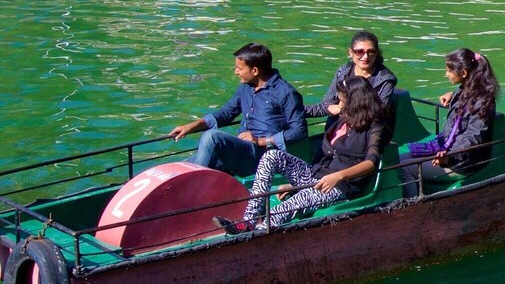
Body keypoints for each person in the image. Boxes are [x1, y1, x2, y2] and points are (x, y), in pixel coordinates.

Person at [215, 75, 388, 233]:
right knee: (272, 156)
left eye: (343, 101)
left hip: (339, 186)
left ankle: (259, 232)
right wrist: (295, 186)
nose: (339, 105)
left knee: (285, 207)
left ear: (356, 102)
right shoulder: (342, 119)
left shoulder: (375, 127)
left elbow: (371, 163)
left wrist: (338, 176)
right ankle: (250, 220)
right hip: (316, 175)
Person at [168, 43, 307, 177]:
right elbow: (226, 113)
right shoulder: (246, 87)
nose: (236, 72)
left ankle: (196, 187)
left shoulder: (286, 93)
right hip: (242, 151)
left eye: (239, 68)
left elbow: (299, 131)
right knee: (180, 168)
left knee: (212, 137)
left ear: (255, 71)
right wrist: (192, 126)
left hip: (264, 157)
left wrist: (261, 141)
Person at [404, 48, 500, 191]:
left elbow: (473, 138)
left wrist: (449, 156)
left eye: (449, 70)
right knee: (397, 160)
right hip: (448, 148)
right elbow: (465, 104)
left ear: (464, 73)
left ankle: (413, 202)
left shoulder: (483, 102)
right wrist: (453, 95)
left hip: (462, 162)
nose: (446, 74)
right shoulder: (466, 90)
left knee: (404, 169)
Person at [306, 31, 398, 139]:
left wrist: (342, 109)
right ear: (351, 52)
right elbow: (326, 105)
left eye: (371, 52)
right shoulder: (343, 72)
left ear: (376, 53)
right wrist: (297, 110)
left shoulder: (385, 79)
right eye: (359, 51)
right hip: (338, 130)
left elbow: (378, 114)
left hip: (366, 134)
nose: (365, 56)